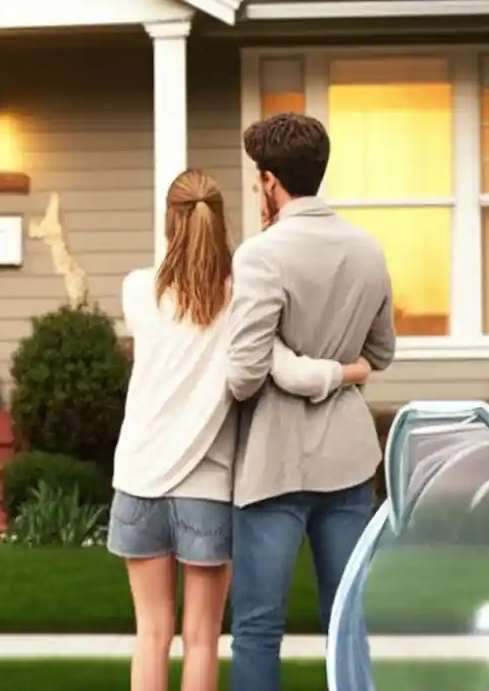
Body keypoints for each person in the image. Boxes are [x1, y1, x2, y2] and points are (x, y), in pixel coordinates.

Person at [108, 169, 372, 691]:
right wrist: (351, 371)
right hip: (204, 488)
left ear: (168, 222)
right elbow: (277, 364)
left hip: (137, 481)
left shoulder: (137, 290)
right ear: (222, 222)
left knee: (151, 633)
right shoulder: (240, 299)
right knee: (202, 637)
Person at [227, 113, 397, 691]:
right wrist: (337, 369)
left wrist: (281, 356)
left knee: (256, 628)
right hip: (349, 461)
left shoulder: (259, 255)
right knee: (347, 622)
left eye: (258, 181)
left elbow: (243, 375)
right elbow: (381, 352)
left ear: (271, 182)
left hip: (275, 463)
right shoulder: (369, 250)